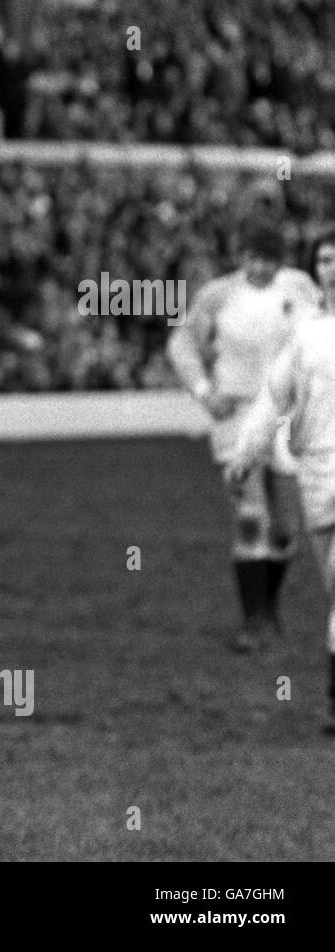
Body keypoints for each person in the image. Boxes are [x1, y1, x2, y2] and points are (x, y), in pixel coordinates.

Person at [168, 220, 321, 653]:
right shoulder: (217, 295)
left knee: (287, 528)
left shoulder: (300, 289)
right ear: (241, 257)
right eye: (254, 258)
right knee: (252, 515)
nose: (261, 268)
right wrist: (203, 391)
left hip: (286, 415)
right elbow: (182, 343)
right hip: (237, 414)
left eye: (269, 260)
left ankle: (269, 605)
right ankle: (252, 621)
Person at [227, 228, 335, 732]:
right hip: (320, 474)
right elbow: (273, 398)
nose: (334, 267)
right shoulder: (306, 336)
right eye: (328, 259)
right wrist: (245, 452)